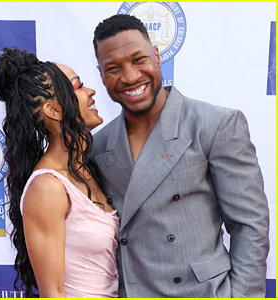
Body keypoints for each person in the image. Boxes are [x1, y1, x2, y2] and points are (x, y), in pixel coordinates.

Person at [91, 14, 270, 298]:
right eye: (113, 68)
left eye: (139, 60)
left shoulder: (215, 124)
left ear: (157, 56)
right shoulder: (98, 146)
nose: (130, 76)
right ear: (101, 75)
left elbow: (250, 225)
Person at [0, 47, 119, 298]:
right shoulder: (48, 187)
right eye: (78, 87)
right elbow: (53, 293)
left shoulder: (89, 169)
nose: (91, 92)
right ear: (54, 111)